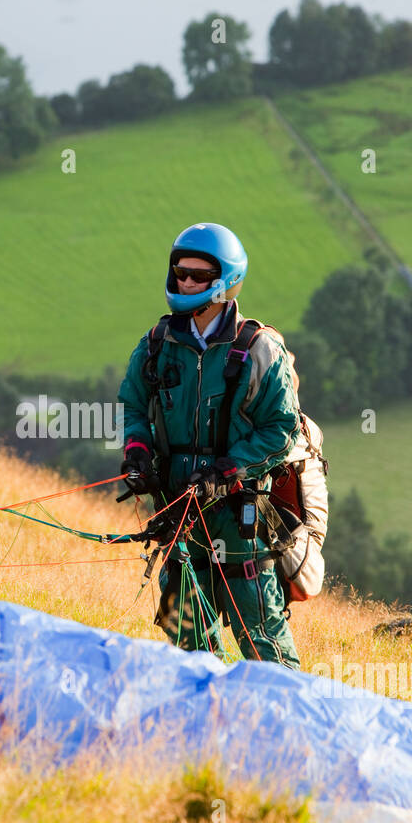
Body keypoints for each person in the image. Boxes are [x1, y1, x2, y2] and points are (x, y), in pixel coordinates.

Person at [117, 222, 303, 668]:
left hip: (240, 518)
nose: (185, 282)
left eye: (198, 276)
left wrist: (228, 469)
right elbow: (133, 406)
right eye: (180, 272)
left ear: (224, 281)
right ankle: (212, 714)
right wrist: (138, 451)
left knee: (261, 637)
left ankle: (287, 725)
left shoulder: (258, 350)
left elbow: (282, 430)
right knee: (181, 630)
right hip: (178, 511)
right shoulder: (158, 345)